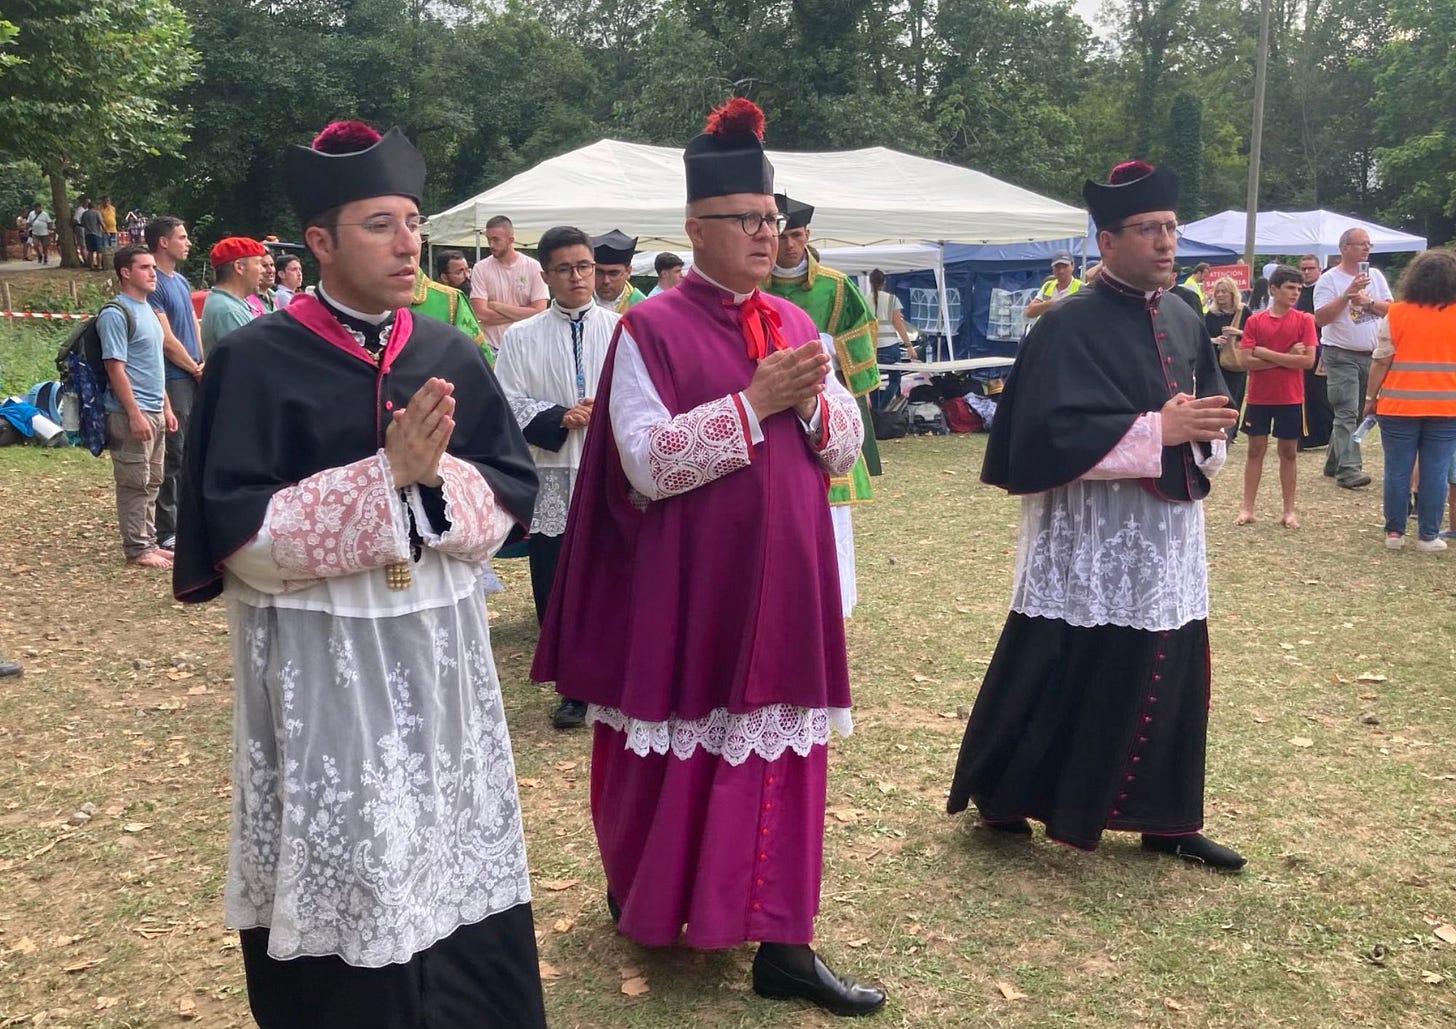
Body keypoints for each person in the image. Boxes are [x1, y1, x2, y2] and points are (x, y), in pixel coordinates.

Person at [171, 119, 544, 1029]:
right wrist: (385, 483)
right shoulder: (252, 361)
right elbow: (239, 532)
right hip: (323, 664)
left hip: (438, 654)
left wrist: (430, 478)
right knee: (360, 850)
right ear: (323, 241)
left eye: (414, 220)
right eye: (381, 223)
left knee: (447, 842)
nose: (409, 240)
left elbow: (503, 499)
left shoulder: (452, 353)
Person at [531, 97, 885, 1017]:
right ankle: (652, 897)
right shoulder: (650, 327)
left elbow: (844, 443)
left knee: (780, 751)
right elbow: (642, 462)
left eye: (774, 219)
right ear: (696, 229)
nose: (769, 235)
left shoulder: (797, 325)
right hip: (692, 580)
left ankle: (782, 940)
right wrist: (752, 405)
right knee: (676, 740)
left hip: (788, 577)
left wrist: (808, 404)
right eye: (748, 220)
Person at [946, 159, 1246, 871]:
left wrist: (1203, 431)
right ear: (1108, 242)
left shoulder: (1183, 313)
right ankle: (1008, 794)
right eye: (1148, 230)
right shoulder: (1066, 323)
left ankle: (1166, 816)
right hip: (1090, 532)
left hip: (1169, 530)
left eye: (1171, 228)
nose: (1167, 242)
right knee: (1069, 659)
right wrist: (1153, 432)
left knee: (1171, 660)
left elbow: (1204, 404)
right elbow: (1043, 434)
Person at [494, 225, 618, 728]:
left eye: (584, 267)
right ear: (544, 274)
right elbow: (506, 401)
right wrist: (558, 417)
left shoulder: (623, 329)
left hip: (608, 470)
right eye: (564, 269)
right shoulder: (521, 338)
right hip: (552, 473)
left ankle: (616, 677)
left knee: (612, 574)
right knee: (557, 579)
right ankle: (573, 686)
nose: (576, 277)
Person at [764, 194, 881, 616]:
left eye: (796, 236)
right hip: (772, 408)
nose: (789, 245)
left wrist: (839, 361)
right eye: (782, 236)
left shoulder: (834, 285)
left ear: (808, 235)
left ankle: (832, 604)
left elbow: (861, 330)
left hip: (822, 402)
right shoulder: (752, 284)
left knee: (829, 515)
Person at [1363, 247, 1456, 552]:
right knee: (1436, 470)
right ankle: (1428, 535)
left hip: (1398, 405)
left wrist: (1370, 397)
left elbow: (1381, 360)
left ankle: (1394, 532)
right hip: (1446, 406)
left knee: (1397, 469)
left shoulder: (1397, 312)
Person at [99, 244, 177, 569]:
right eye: (144, 267)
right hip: (131, 413)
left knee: (154, 478)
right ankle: (137, 548)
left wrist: (167, 407)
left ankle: (150, 541)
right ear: (125, 272)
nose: (152, 273)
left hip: (156, 411)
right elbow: (115, 366)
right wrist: (133, 413)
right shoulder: (116, 314)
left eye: (153, 267)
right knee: (134, 480)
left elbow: (155, 364)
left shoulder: (149, 311)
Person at [1235, 266, 1317, 528]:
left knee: (1289, 453)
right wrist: (1287, 356)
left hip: (1290, 397)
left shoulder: (1304, 320)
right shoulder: (1255, 321)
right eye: (1289, 287)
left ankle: (1288, 511)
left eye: (1298, 288)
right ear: (1274, 289)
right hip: (1259, 397)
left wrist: (1265, 353)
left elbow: (1307, 361)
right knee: (1255, 450)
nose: (1295, 293)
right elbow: (1246, 360)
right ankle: (1247, 508)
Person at [1314, 228, 1392, 489]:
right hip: (1340, 354)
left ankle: (1333, 461)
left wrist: (1368, 302)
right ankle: (1349, 470)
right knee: (1346, 410)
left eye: (1369, 244)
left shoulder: (1376, 276)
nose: (1367, 248)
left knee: (1358, 413)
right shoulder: (1329, 280)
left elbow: (1392, 311)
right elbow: (1321, 318)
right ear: (1344, 247)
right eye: (1361, 244)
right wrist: (1347, 294)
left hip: (1371, 355)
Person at [146, 215, 204, 551]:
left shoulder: (180, 282)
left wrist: (202, 359)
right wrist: (193, 368)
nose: (188, 242)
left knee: (191, 451)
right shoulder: (155, 285)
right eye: (182, 237)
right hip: (174, 378)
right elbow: (166, 339)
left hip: (193, 371)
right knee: (173, 452)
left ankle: (186, 518)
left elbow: (193, 326)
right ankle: (166, 528)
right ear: (163, 242)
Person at [468, 214, 548, 351]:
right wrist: (523, 312)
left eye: (496, 240)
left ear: (510, 240)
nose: (491, 245)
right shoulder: (480, 268)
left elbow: (540, 311)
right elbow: (480, 313)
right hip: (491, 346)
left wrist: (495, 305)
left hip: (525, 346)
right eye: (488, 239)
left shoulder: (534, 267)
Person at [410, 257, 489, 355]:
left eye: (468, 271)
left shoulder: (456, 299)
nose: (467, 276)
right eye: (459, 272)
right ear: (444, 277)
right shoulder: (449, 298)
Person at [1295, 253, 1333, 451]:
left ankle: (1326, 435)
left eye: (1310, 268)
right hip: (1299, 350)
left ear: (1319, 270)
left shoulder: (1325, 291)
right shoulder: (1296, 292)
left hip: (1322, 348)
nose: (1307, 272)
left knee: (1321, 394)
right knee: (1303, 394)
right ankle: (1305, 436)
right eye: (1303, 269)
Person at [1204, 276, 1248, 444]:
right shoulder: (1211, 314)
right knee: (1217, 396)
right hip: (1216, 361)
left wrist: (1237, 332)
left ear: (1232, 294)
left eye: (1224, 292)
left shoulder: (1243, 312)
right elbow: (1202, 336)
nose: (1220, 295)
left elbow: (1255, 335)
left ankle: (1231, 432)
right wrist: (1213, 340)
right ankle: (1217, 429)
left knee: (1235, 396)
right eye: (1217, 292)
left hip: (1236, 362)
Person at [200, 237, 265, 348]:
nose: (262, 270)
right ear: (239, 267)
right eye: (258, 263)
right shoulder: (229, 311)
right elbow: (251, 358)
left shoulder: (229, 303)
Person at [869, 268, 914, 411]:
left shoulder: (863, 300)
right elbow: (899, 325)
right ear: (884, 282)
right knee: (895, 379)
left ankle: (875, 411)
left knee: (873, 381)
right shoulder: (892, 299)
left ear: (870, 282)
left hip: (872, 347)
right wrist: (908, 345)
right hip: (890, 345)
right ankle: (882, 408)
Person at [592, 230, 647, 312]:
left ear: (628, 272)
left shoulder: (642, 306)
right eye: (599, 272)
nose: (606, 281)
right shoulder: (576, 301)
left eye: (613, 273)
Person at [1022, 250, 1083, 321]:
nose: (1061, 271)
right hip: (1046, 330)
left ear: (1073, 266)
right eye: (1057, 267)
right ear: (1052, 268)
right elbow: (1029, 312)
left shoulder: (1081, 288)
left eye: (1065, 266)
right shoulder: (1048, 286)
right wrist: (1048, 304)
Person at [79, 198, 106, 271]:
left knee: (90, 251)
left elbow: (82, 223)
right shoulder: (97, 213)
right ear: (95, 207)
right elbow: (101, 222)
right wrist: (106, 231)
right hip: (97, 234)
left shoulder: (84, 214)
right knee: (99, 251)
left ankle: (92, 266)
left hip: (87, 234)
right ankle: (99, 265)